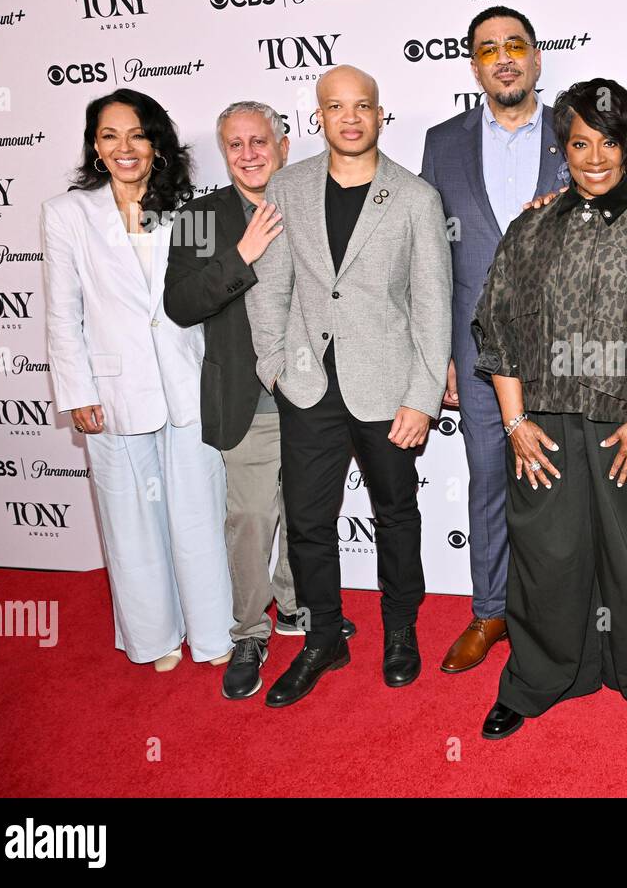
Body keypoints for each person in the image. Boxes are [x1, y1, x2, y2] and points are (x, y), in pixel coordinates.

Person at [472, 78, 627, 741]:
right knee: (547, 560)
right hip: (545, 428)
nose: (593, 157)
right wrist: (516, 424)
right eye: (580, 142)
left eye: (608, 141)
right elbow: (496, 333)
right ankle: (538, 679)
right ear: (564, 148)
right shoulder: (529, 230)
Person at [246, 65, 451, 707]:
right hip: (308, 387)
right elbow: (270, 288)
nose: (351, 117)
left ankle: (399, 632)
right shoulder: (287, 186)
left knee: (395, 514)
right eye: (336, 107)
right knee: (308, 521)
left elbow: (431, 304)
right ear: (319, 118)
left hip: (389, 389)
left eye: (362, 105)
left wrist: (420, 397)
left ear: (379, 113)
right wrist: (274, 367)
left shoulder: (416, 197)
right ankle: (323, 638)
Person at [164, 101, 356, 701]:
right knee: (250, 520)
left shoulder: (319, 196)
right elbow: (181, 303)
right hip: (248, 399)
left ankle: (298, 607)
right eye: (235, 145)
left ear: (284, 141)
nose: (249, 154)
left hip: (318, 393)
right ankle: (249, 632)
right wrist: (240, 254)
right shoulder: (201, 216)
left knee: (308, 514)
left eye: (259, 141)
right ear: (224, 153)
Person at [42, 88, 234, 671]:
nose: (125, 148)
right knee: (130, 522)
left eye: (137, 135)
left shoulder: (187, 212)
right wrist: (76, 394)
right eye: (110, 136)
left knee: (198, 514)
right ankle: (153, 638)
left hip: (187, 386)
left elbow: (202, 300)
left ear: (156, 145)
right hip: (112, 393)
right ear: (95, 148)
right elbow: (61, 313)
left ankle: (212, 634)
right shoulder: (67, 214)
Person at [420, 7, 568, 675]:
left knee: (564, 488)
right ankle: (490, 611)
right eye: (488, 49)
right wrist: (443, 349)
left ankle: (564, 617)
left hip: (568, 353)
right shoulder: (442, 142)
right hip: (477, 354)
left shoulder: (576, 133)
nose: (504, 57)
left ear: (536, 57)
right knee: (487, 481)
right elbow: (430, 260)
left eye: (515, 45)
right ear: (474, 65)